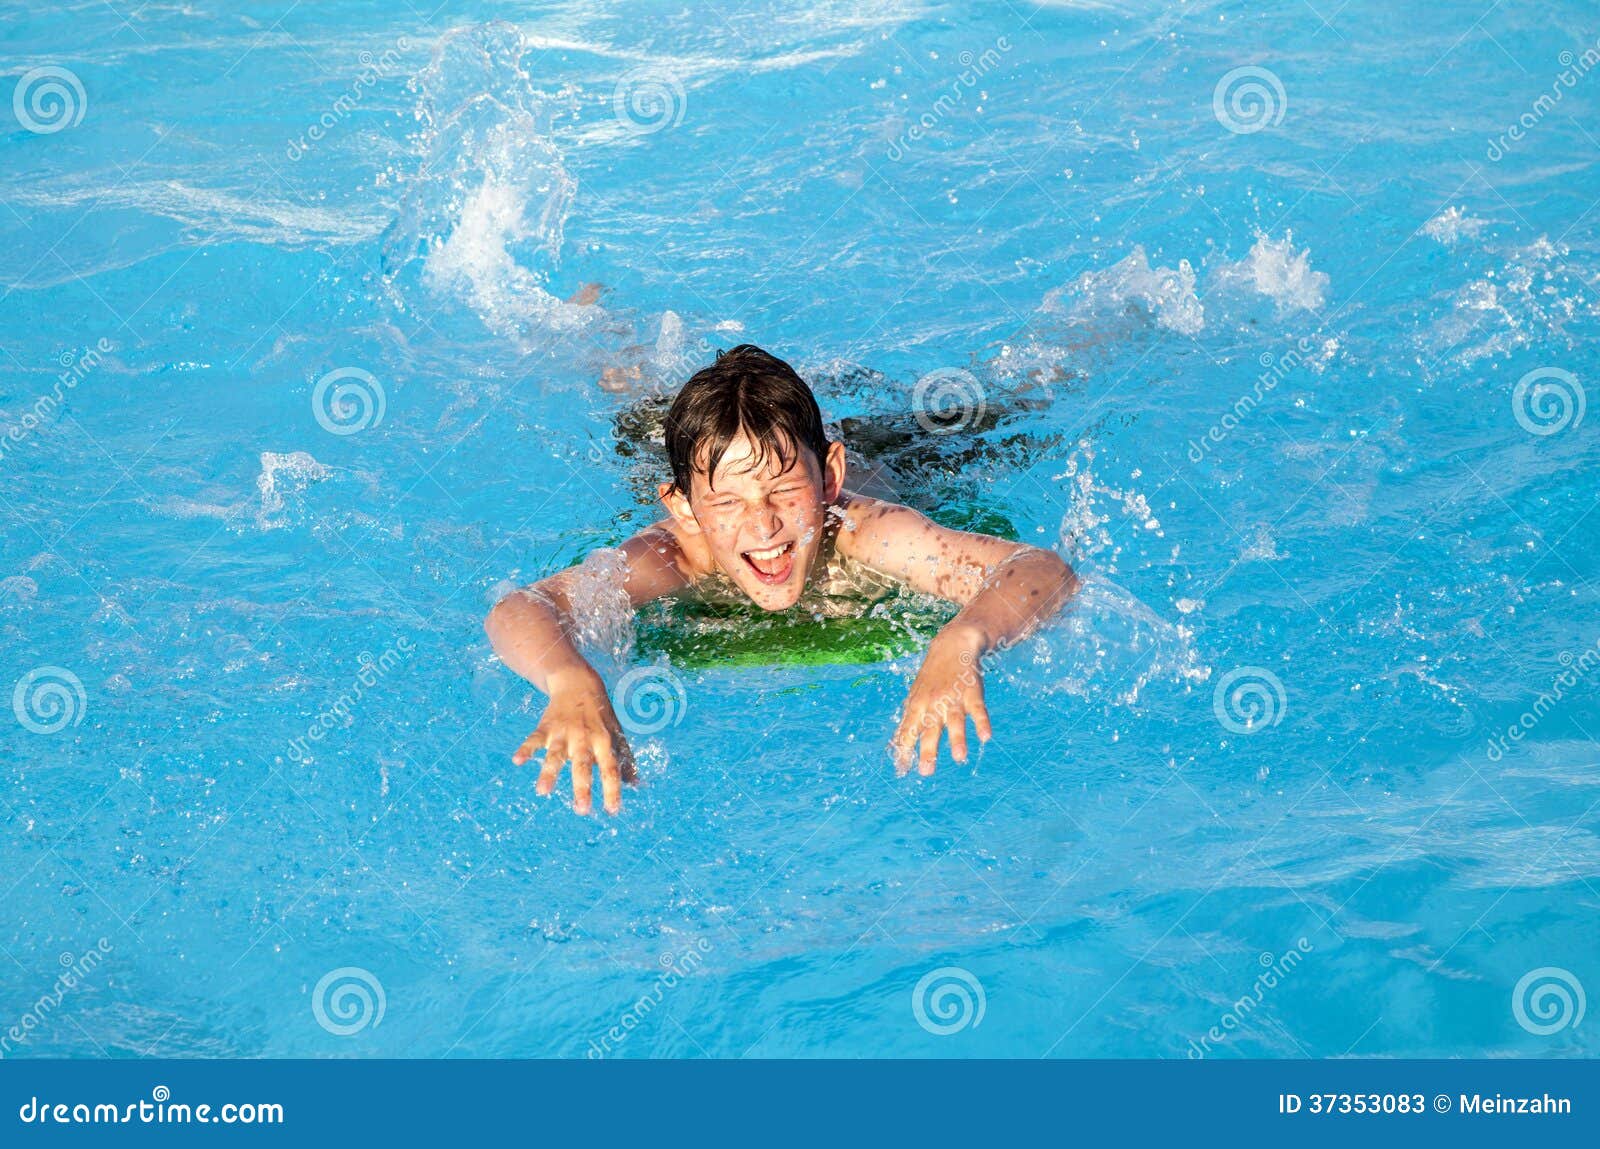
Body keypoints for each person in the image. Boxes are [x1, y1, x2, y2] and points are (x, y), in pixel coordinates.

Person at [485, 345, 1078, 814]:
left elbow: (1041, 571)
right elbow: (522, 607)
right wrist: (570, 680)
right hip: (717, 456)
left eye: (784, 489)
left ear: (828, 482)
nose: (763, 523)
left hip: (894, 455)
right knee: (638, 413)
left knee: (1004, 410)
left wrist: (961, 639)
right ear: (685, 509)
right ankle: (601, 338)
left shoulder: (864, 532)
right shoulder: (676, 556)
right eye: (728, 503)